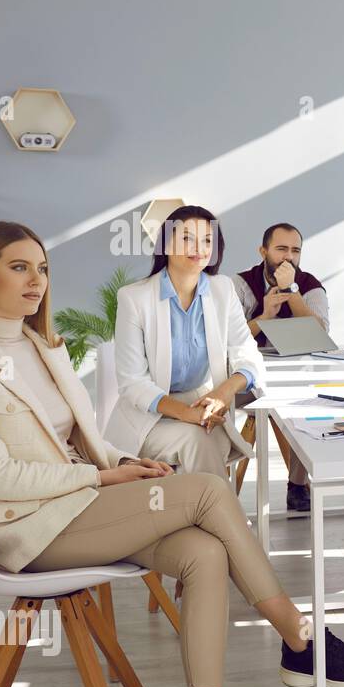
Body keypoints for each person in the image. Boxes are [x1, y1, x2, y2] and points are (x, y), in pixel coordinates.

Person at [0, 222, 344, 687]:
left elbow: (83, 438)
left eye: (42, 268)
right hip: (32, 528)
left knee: (206, 555)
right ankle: (300, 638)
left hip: (88, 504)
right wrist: (105, 475)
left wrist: (126, 462)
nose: (36, 281)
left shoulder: (44, 346)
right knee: (208, 491)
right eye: (18, 267)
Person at [105, 206, 259, 481]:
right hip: (149, 415)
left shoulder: (223, 289)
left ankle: (207, 515)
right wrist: (185, 414)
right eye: (187, 237)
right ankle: (219, 517)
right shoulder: (134, 298)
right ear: (165, 243)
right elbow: (132, 382)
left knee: (204, 436)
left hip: (200, 403)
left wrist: (224, 392)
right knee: (200, 439)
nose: (198, 248)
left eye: (207, 240)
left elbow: (247, 352)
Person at [233, 222, 328, 512]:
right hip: (247, 378)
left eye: (295, 250)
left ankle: (298, 484)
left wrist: (293, 292)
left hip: (295, 376)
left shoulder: (310, 285)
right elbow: (228, 339)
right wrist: (265, 316)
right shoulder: (239, 284)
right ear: (264, 251)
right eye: (281, 249)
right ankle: (218, 486)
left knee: (309, 402)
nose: (288, 257)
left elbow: (322, 336)